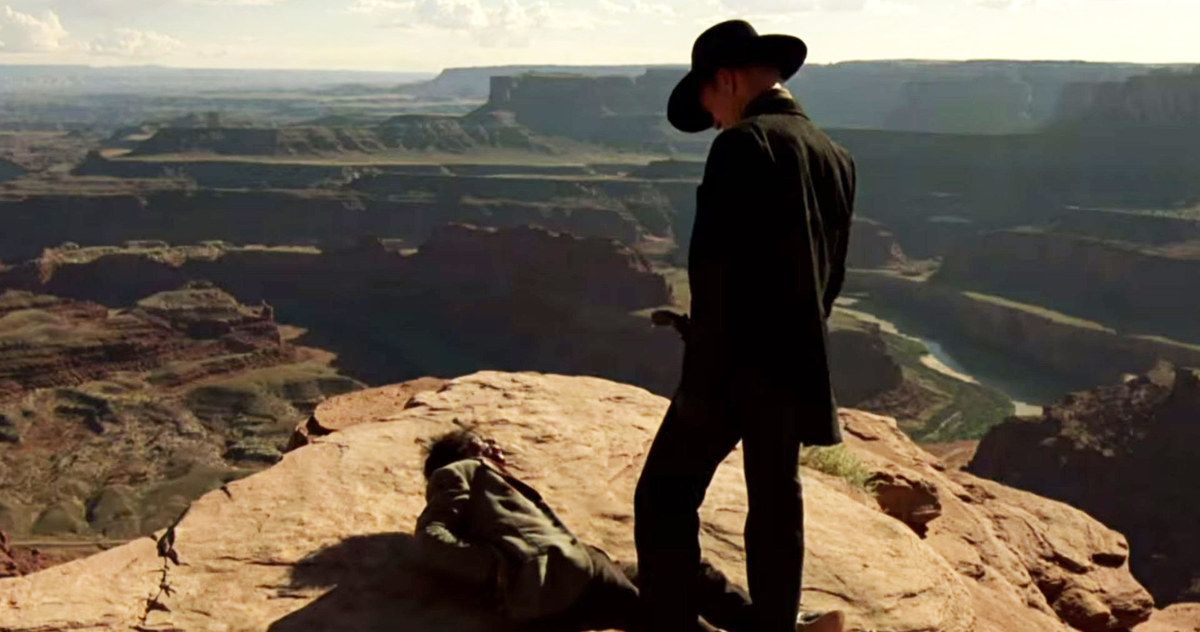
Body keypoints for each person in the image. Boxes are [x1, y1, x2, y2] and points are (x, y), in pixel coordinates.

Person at [636, 19, 856, 632]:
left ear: (727, 80)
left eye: (708, 103)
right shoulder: (836, 157)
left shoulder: (743, 145)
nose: (713, 121)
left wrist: (701, 373)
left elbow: (715, 270)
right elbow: (831, 272)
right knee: (776, 505)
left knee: (663, 497)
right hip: (799, 360)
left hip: (733, 364)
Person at [414, 429, 844, 631]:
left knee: (680, 573)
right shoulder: (459, 471)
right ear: (465, 452)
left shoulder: (489, 483)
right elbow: (431, 537)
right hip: (560, 577)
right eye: (484, 443)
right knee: (664, 608)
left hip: (572, 576)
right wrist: (502, 571)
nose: (496, 447)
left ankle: (776, 623)